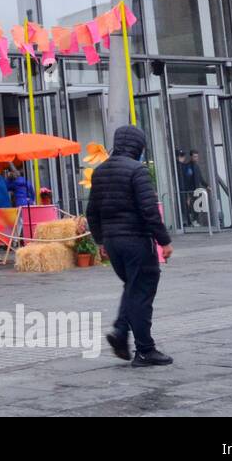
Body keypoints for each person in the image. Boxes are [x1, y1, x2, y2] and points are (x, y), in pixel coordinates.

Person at [85, 125, 174, 367]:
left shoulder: (100, 171)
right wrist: (163, 240)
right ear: (138, 146)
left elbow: (91, 212)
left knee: (133, 287)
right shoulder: (138, 170)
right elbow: (149, 210)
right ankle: (145, 350)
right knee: (142, 291)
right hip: (136, 240)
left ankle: (121, 332)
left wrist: (101, 240)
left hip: (113, 243)